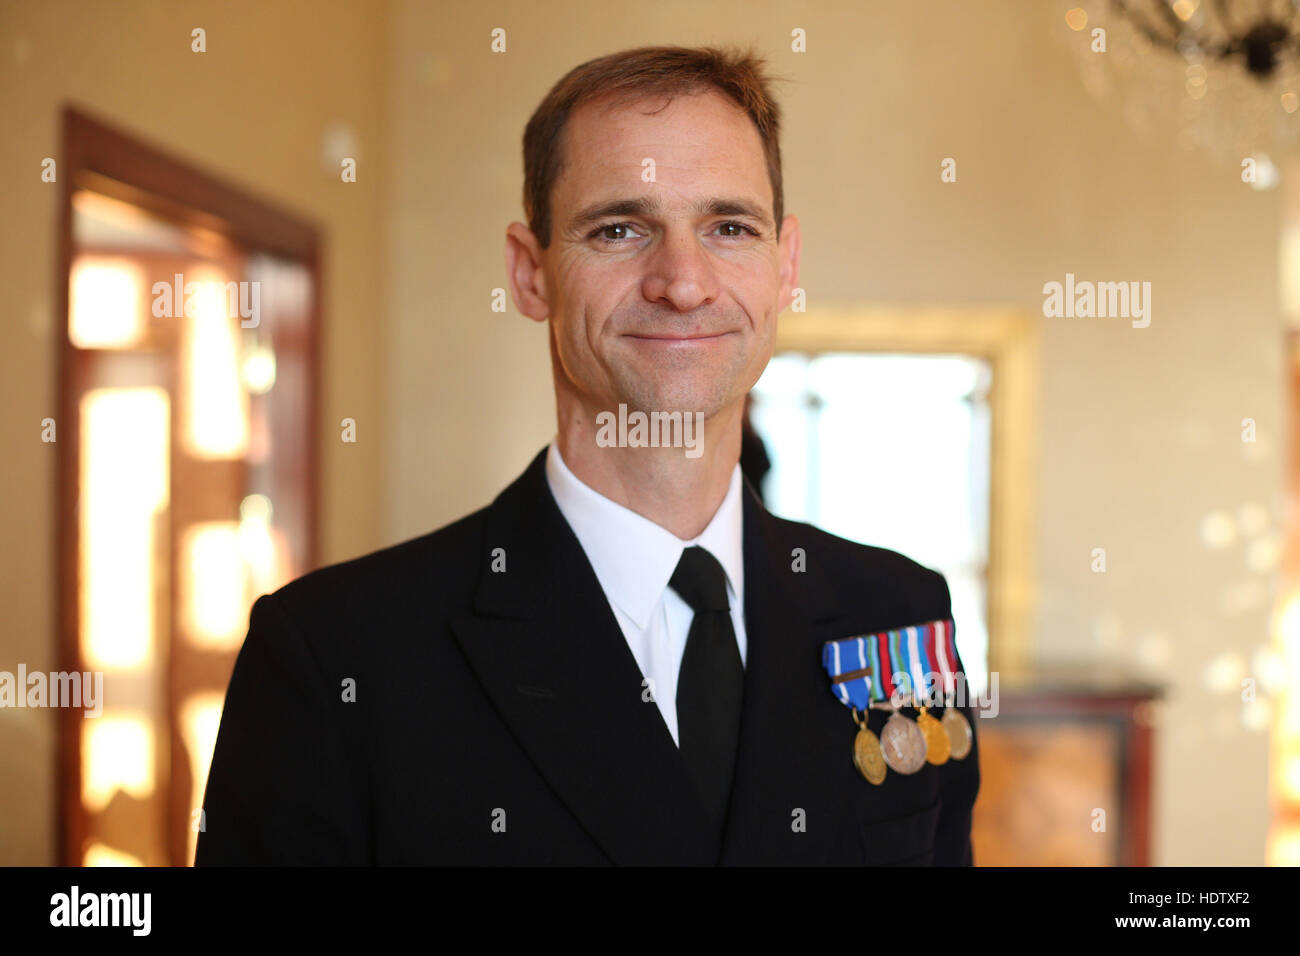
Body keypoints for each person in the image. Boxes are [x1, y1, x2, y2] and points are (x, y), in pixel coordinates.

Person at [196, 44, 979, 866]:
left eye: (728, 227)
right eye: (618, 228)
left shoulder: (896, 612)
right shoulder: (335, 658)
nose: (683, 281)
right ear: (531, 273)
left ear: (783, 266)